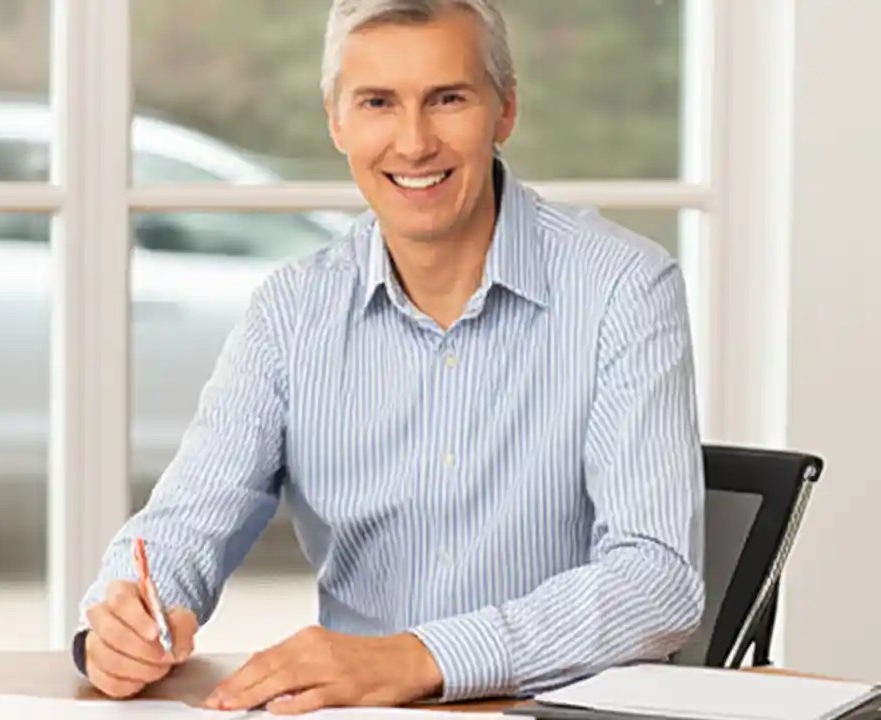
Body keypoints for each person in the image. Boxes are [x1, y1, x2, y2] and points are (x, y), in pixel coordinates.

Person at [72, 0, 705, 712]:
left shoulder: (624, 290)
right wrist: (119, 618)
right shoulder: (292, 312)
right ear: (336, 120)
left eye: (448, 100)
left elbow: (657, 584)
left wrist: (420, 657)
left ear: (505, 112)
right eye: (377, 102)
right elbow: (185, 525)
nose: (412, 143)